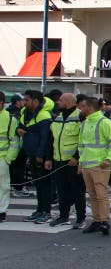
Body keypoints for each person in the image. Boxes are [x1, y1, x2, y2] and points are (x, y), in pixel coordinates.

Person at [78, 97, 111, 235]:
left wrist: (109, 159)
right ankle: (96, 221)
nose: (80, 109)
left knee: (101, 194)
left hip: (100, 165)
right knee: (92, 194)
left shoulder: (104, 122)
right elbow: (82, 145)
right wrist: (81, 163)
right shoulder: (84, 123)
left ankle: (104, 221)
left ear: (89, 108)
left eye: (82, 107)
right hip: (88, 164)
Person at [45, 93, 86, 228]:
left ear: (68, 102)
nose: (58, 102)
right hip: (59, 160)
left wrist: (77, 157)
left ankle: (80, 219)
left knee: (77, 191)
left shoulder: (80, 117)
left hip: (73, 161)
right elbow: (51, 140)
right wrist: (49, 158)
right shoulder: (58, 118)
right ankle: (63, 216)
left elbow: (84, 140)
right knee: (62, 190)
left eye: (61, 100)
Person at [18, 90, 53, 224]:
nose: (24, 102)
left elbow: (45, 138)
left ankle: (46, 211)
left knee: (44, 184)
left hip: (40, 155)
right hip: (30, 153)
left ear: (35, 101)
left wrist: (40, 154)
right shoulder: (25, 113)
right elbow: (20, 126)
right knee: (38, 184)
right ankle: (40, 209)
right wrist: (18, 130)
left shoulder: (44, 115)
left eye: (27, 100)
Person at [0, 93, 20, 223]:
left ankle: (1, 211)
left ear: (2, 103)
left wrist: (8, 159)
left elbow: (14, 141)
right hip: (3, 158)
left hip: (2, 158)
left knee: (3, 187)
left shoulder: (10, 119)